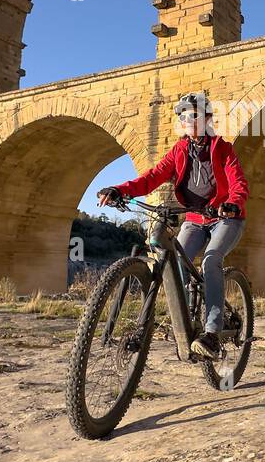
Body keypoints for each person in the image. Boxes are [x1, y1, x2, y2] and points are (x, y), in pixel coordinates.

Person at [97, 91, 248, 359]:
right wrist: (119, 190)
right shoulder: (179, 150)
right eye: (184, 116)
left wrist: (233, 203)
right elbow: (151, 177)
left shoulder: (223, 149)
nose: (189, 120)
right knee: (178, 263)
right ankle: (187, 320)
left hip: (226, 218)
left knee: (211, 260)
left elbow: (238, 183)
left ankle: (212, 333)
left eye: (195, 115)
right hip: (193, 219)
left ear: (208, 118)